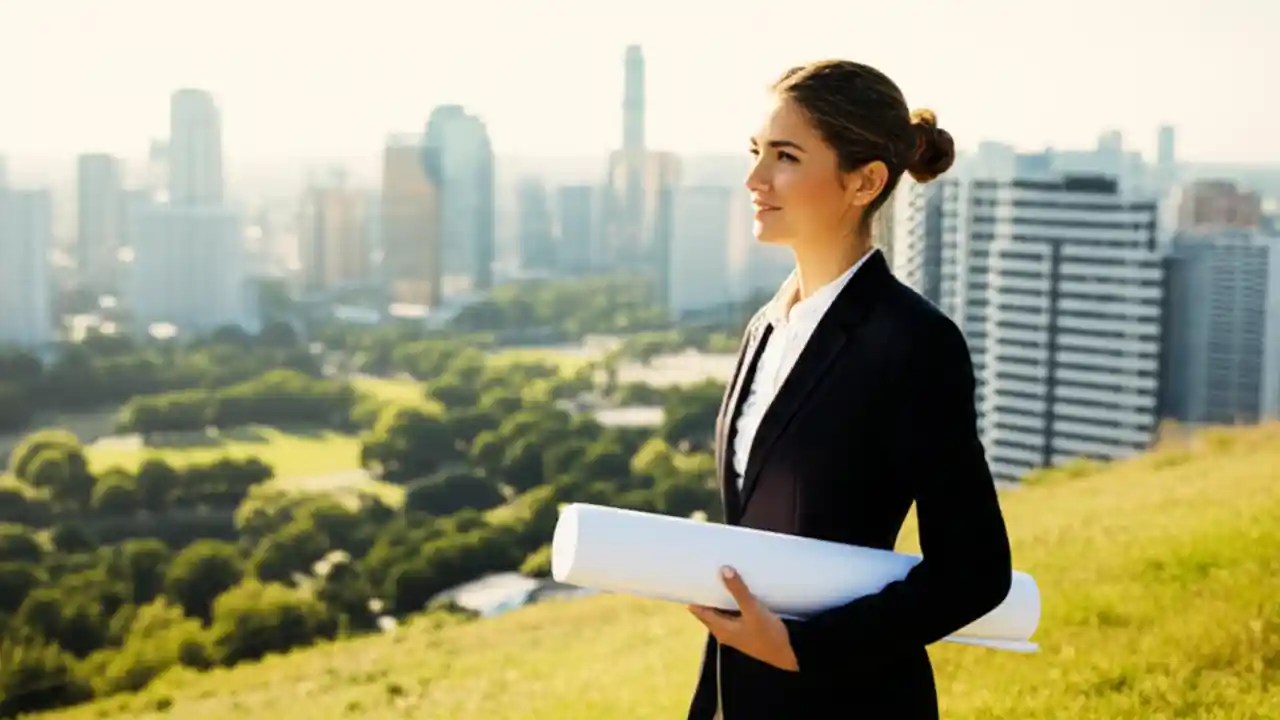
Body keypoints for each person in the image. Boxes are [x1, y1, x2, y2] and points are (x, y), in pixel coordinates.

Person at [683, 59, 1014, 719]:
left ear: (864, 181)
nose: (754, 179)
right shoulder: (766, 326)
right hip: (739, 696)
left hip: (849, 700)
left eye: (784, 156)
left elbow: (974, 573)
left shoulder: (913, 341)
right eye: (755, 152)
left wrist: (803, 647)